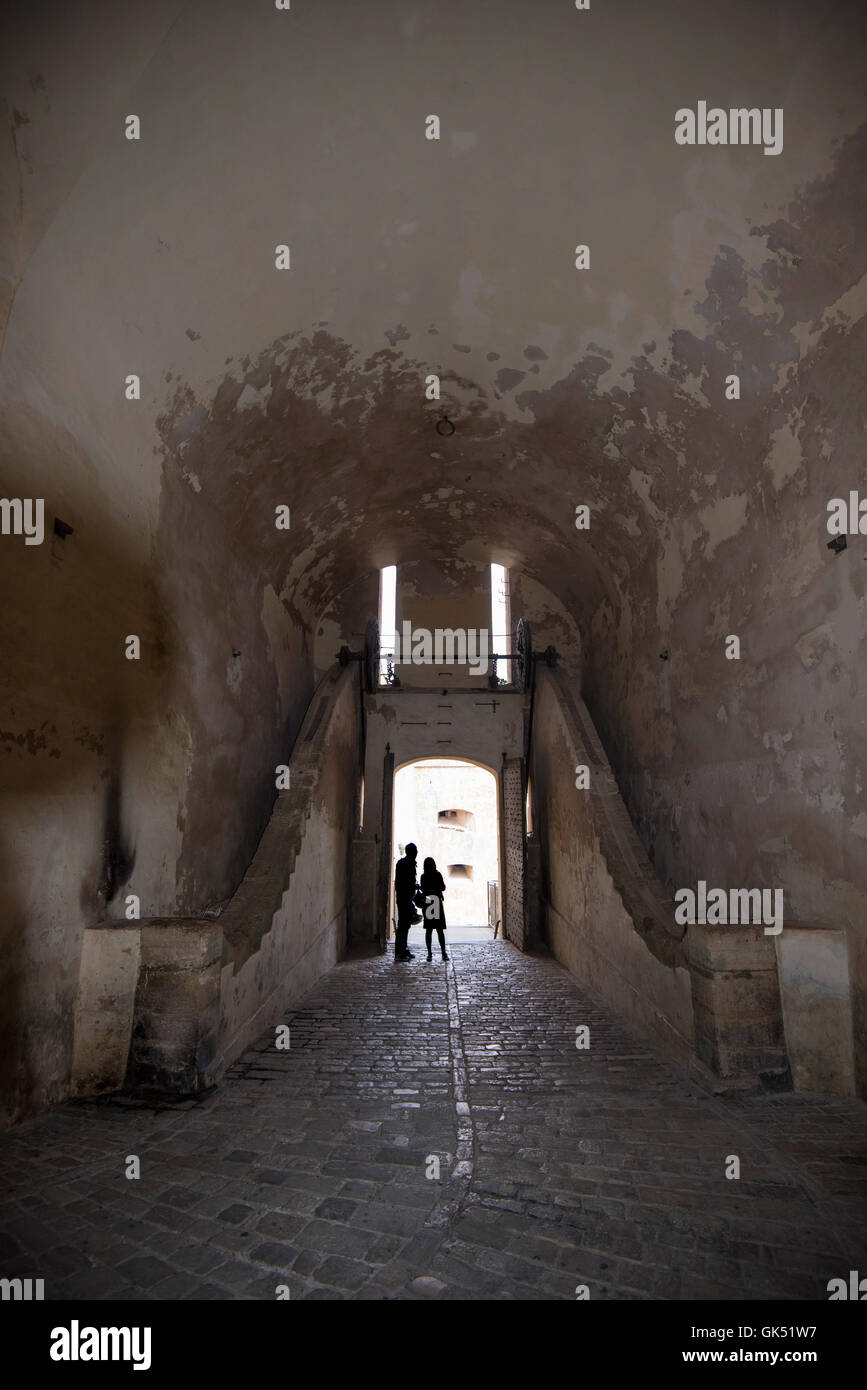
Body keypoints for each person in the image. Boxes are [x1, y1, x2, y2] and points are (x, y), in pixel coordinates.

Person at [394, 842, 420, 961]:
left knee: (405, 925)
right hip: (404, 898)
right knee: (403, 926)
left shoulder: (404, 863)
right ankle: (400, 952)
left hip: (406, 898)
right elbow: (402, 883)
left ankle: (403, 949)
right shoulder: (405, 864)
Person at [420, 856, 449, 962]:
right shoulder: (437, 875)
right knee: (439, 930)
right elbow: (443, 887)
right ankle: (443, 953)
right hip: (436, 901)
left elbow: (423, 889)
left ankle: (429, 953)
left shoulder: (423, 876)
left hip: (428, 901)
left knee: (429, 930)